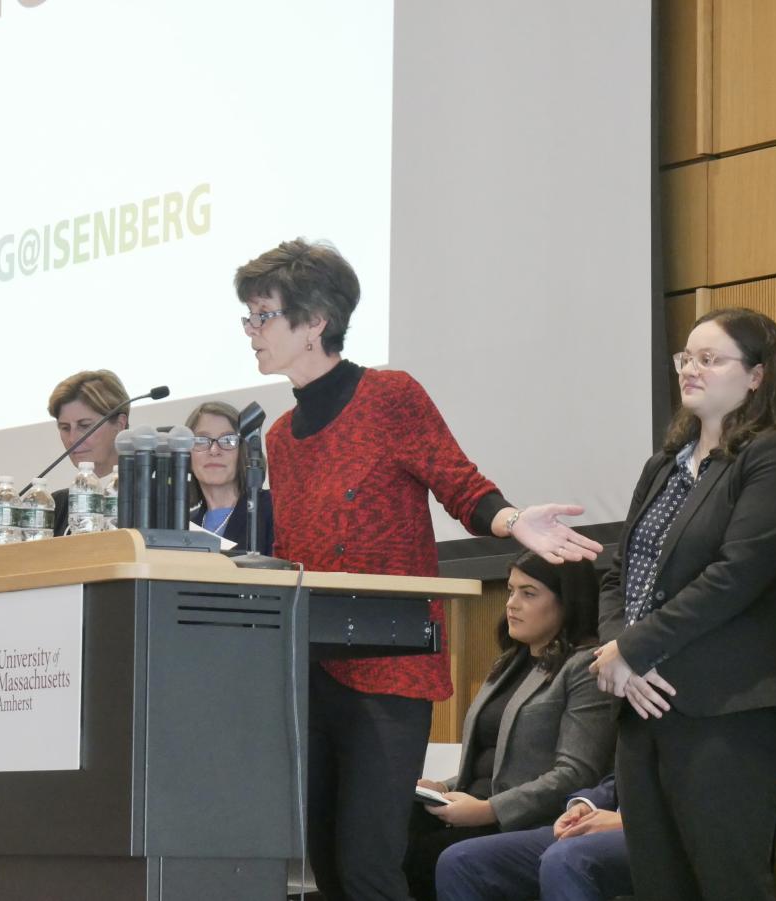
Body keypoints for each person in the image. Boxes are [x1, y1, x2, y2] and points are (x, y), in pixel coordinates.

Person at [233, 238, 604, 901]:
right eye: (249, 317)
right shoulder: (279, 438)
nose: (252, 331)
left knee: (372, 867)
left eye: (263, 315)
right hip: (309, 670)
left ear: (316, 320)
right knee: (329, 868)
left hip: (389, 670)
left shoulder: (390, 396)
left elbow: (459, 483)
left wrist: (512, 517)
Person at [590, 307, 776, 901]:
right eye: (686, 358)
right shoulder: (662, 466)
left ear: (756, 376)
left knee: (727, 885)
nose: (690, 369)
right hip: (644, 711)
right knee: (658, 887)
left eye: (709, 359)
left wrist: (633, 649)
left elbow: (735, 576)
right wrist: (619, 653)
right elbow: (620, 574)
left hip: (729, 709)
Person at [404, 552, 615, 901]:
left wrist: (488, 809)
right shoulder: (511, 662)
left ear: (567, 602)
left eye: (528, 593)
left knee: (428, 854)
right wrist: (442, 786)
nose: (512, 604)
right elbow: (492, 761)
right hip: (476, 808)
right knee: (389, 832)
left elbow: (577, 773)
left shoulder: (583, 669)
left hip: (528, 820)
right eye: (510, 591)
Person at [434, 775, 631, 901]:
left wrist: (630, 822)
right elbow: (624, 774)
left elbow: (574, 770)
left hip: (653, 831)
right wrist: (586, 804)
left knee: (564, 858)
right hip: (611, 816)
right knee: (460, 860)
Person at [45, 370, 130, 536]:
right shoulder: (57, 506)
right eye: (65, 428)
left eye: (84, 426)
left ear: (120, 424)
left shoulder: (148, 498)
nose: (72, 439)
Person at [185, 401, 274, 555]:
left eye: (228, 440)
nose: (214, 450)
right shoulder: (184, 526)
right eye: (201, 440)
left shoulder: (272, 508)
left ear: (244, 449)